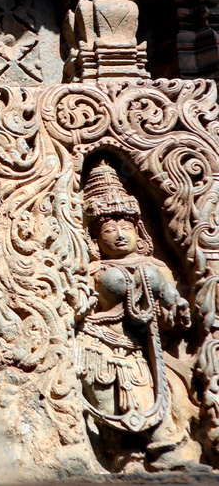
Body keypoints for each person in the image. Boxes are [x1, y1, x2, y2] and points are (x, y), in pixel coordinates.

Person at [76, 161, 204, 472]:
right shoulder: (93, 270)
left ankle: (164, 450)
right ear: (95, 237)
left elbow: (169, 298)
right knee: (109, 401)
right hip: (101, 346)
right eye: (109, 229)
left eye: (126, 228)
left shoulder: (153, 266)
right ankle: (123, 456)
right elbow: (79, 304)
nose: (119, 235)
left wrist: (176, 306)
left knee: (152, 395)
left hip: (142, 349)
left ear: (139, 230)